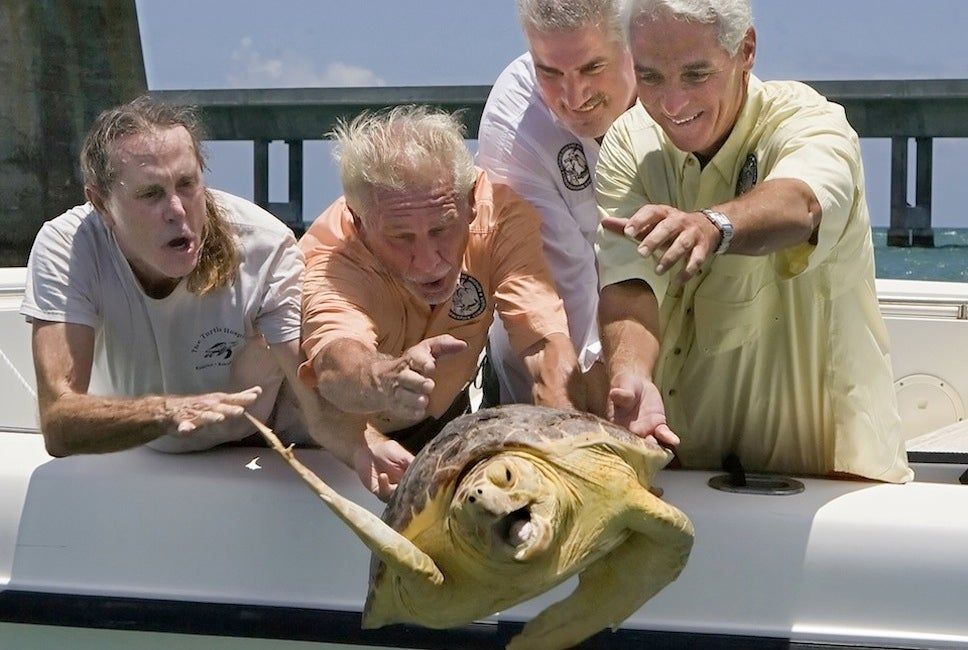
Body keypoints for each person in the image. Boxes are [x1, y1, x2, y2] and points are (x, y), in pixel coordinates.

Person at [595, 0, 912, 482]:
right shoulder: (628, 140)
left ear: (746, 51)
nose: (672, 104)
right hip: (685, 472)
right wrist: (631, 373)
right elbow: (628, 281)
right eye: (650, 77)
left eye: (696, 74)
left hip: (829, 483)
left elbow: (802, 204)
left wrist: (712, 226)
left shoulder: (811, 122)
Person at [299, 105, 584, 500]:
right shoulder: (331, 257)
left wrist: (572, 454)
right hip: (335, 431)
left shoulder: (502, 217)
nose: (429, 262)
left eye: (441, 229)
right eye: (401, 238)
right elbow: (335, 364)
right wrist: (386, 379)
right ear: (360, 224)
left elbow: (541, 342)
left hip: (448, 421)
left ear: (469, 202)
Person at [21, 96, 320, 456]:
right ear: (101, 205)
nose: (177, 210)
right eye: (151, 194)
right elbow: (58, 424)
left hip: (266, 442)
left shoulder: (264, 245)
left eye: (187, 183)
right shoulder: (69, 247)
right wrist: (165, 412)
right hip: (140, 445)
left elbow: (315, 400)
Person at [476, 0, 636, 412]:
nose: (573, 96)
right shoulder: (515, 119)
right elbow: (562, 286)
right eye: (549, 72)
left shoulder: (676, 81)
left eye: (592, 68)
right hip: (546, 382)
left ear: (632, 44)